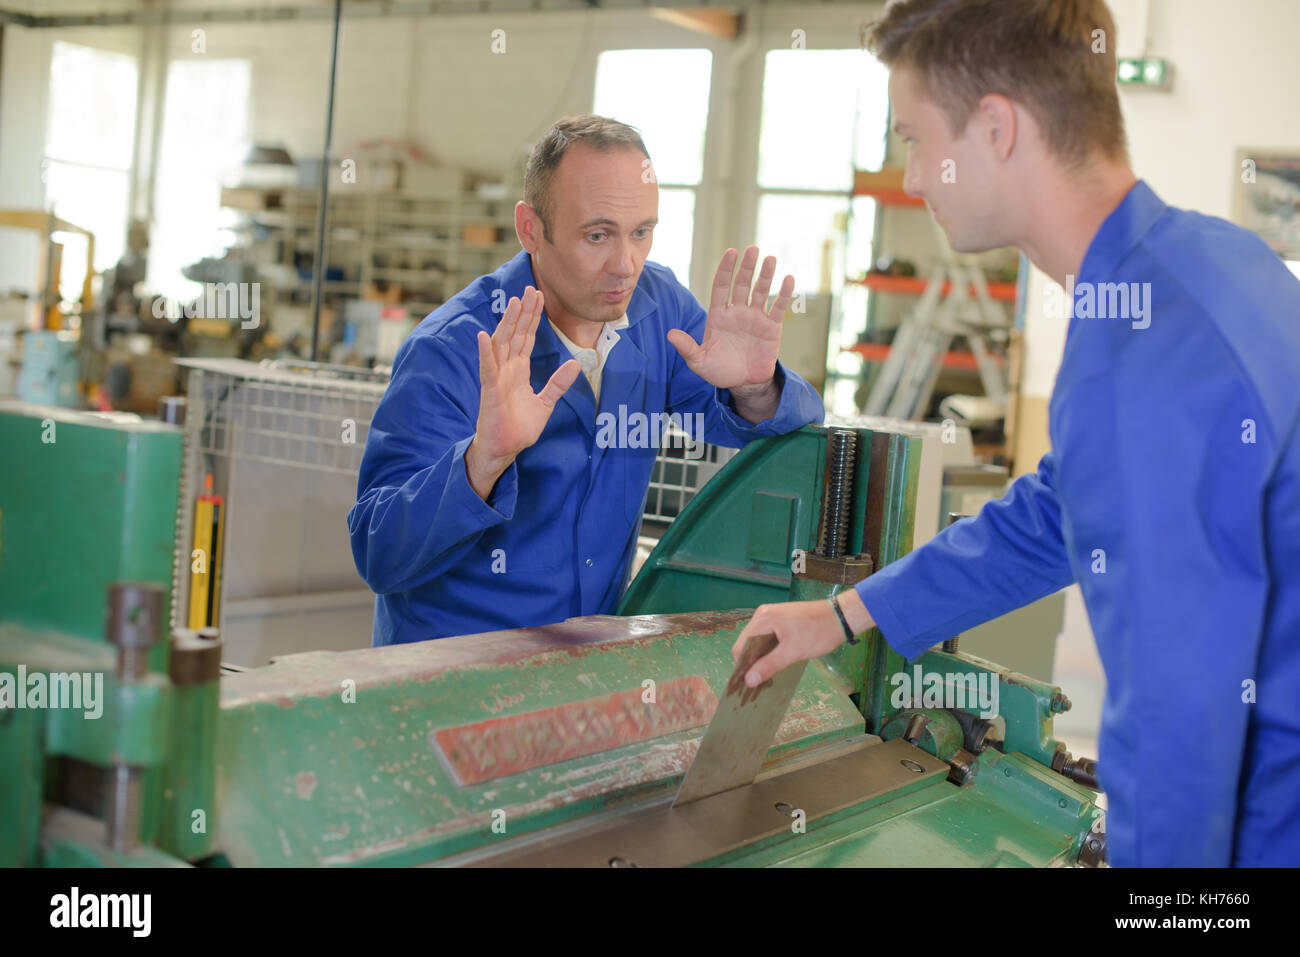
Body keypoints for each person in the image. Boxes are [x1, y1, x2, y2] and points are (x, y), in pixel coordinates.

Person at [732, 0, 1300, 867]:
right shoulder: (1209, 263)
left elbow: (1179, 715)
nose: (912, 179)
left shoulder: (1142, 352)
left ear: (995, 127)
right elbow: (1058, 513)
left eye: (915, 139)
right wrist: (844, 614)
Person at [349, 115, 824, 647]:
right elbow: (379, 555)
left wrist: (754, 387)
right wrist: (481, 462)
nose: (625, 265)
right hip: (451, 679)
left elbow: (753, 420)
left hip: (587, 668)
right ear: (531, 228)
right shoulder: (453, 349)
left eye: (641, 232)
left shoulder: (657, 305)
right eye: (597, 235)